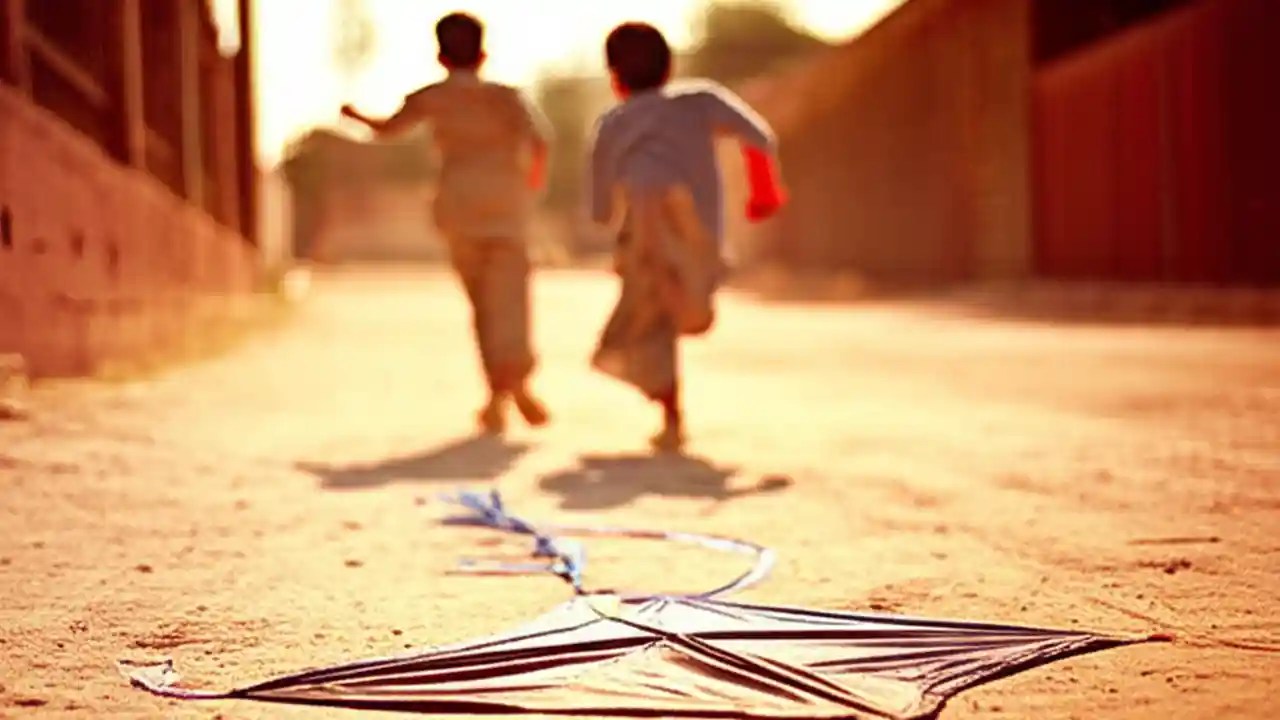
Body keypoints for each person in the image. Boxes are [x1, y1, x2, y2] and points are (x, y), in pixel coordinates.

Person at [341, 12, 551, 435]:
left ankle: (496, 395)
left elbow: (386, 129)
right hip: (505, 206)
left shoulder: (432, 96)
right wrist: (529, 182)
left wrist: (356, 115)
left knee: (482, 305)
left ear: (440, 56)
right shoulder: (507, 97)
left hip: (458, 208)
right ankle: (516, 381)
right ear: (484, 53)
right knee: (510, 300)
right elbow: (540, 140)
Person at [587, 22, 786, 453]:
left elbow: (601, 210)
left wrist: (610, 219)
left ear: (614, 76)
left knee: (646, 324)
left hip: (644, 232)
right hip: (698, 234)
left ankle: (670, 410)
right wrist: (765, 191)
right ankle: (672, 409)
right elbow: (760, 138)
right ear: (669, 66)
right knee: (680, 310)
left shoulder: (613, 122)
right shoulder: (700, 100)